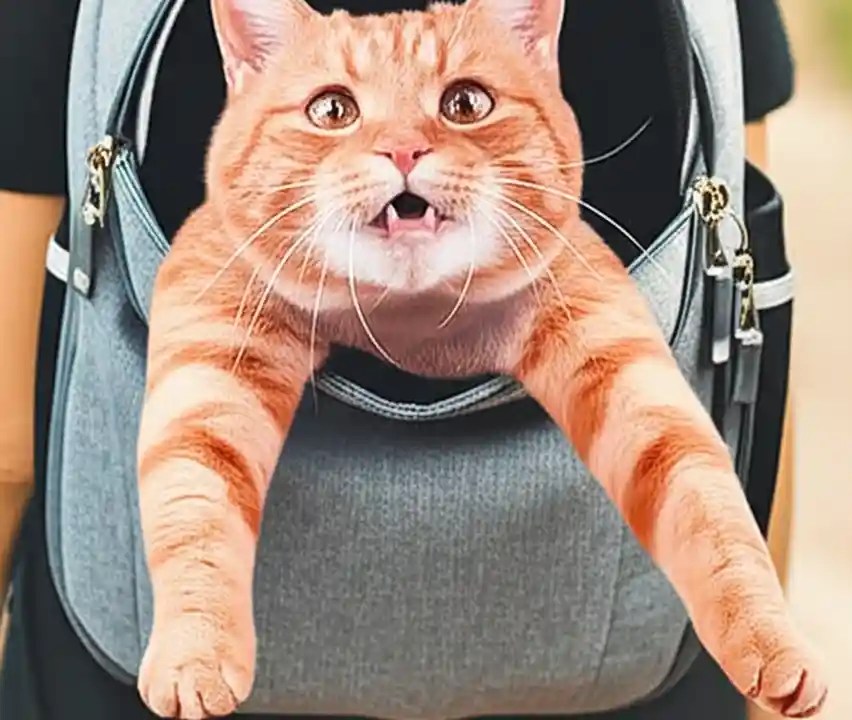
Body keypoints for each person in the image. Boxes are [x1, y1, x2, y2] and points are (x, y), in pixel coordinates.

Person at [0, 0, 796, 718]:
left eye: (463, 103)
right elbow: (746, 285)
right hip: (619, 657)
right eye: (337, 109)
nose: (404, 147)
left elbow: (6, 445)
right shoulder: (234, 262)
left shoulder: (557, 266)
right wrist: (765, 644)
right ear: (241, 67)